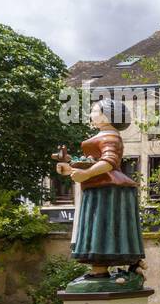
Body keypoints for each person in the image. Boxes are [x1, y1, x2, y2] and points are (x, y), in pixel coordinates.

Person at [56, 98, 146, 290]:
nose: (91, 115)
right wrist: (71, 169)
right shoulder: (105, 136)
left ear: (106, 116)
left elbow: (109, 162)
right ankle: (100, 269)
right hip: (98, 188)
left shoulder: (110, 138)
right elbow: (94, 161)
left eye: (94, 111)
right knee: (98, 227)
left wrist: (86, 173)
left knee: (102, 225)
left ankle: (108, 266)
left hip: (107, 189)